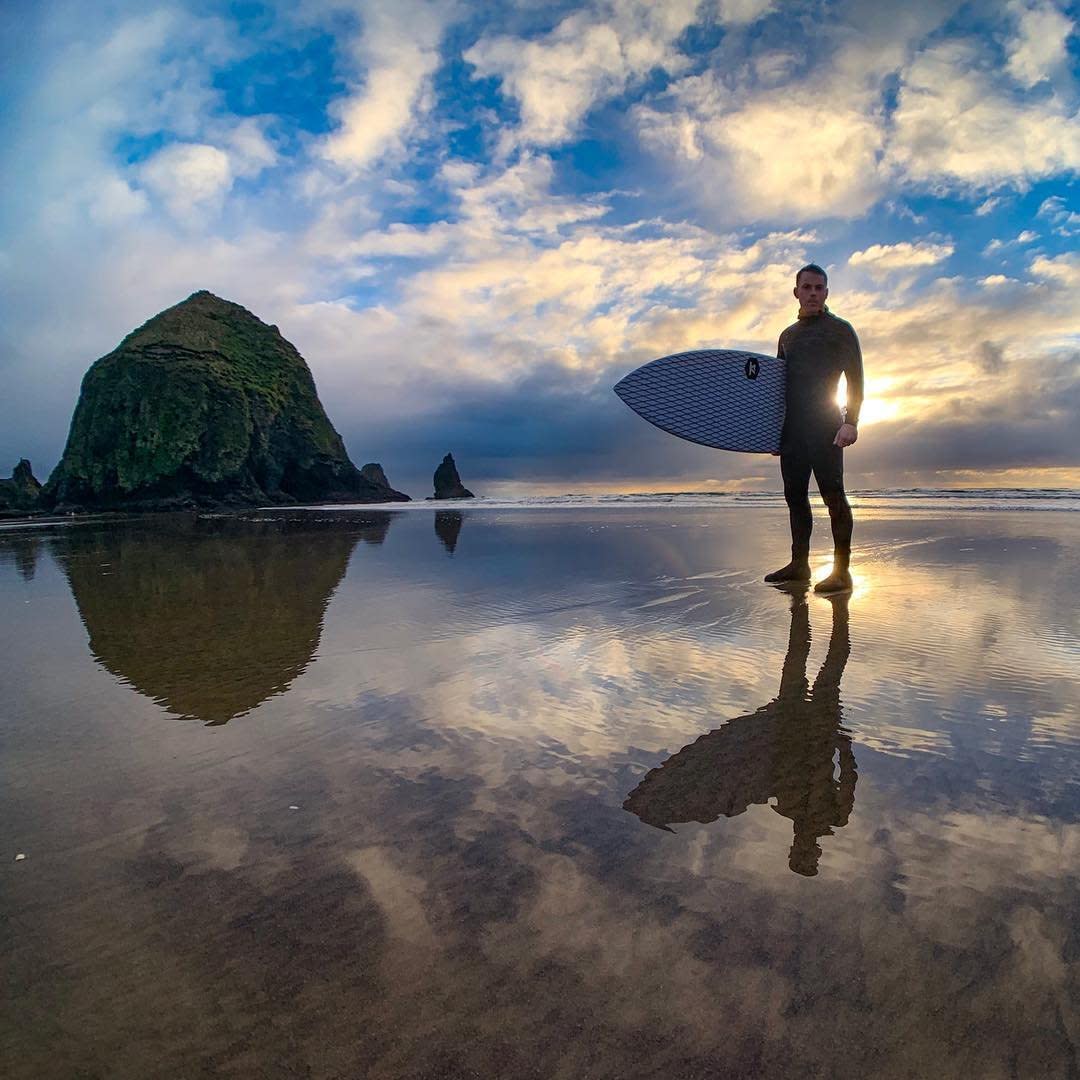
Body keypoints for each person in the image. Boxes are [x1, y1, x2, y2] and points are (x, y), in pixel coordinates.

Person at [764, 263, 863, 594]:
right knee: (794, 496)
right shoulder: (787, 336)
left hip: (826, 425)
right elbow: (777, 388)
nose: (813, 294)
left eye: (819, 288)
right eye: (806, 287)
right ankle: (799, 564)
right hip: (792, 430)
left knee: (833, 496)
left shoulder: (840, 330)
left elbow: (856, 379)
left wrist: (851, 422)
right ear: (796, 292)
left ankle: (841, 572)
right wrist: (772, 431)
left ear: (827, 292)